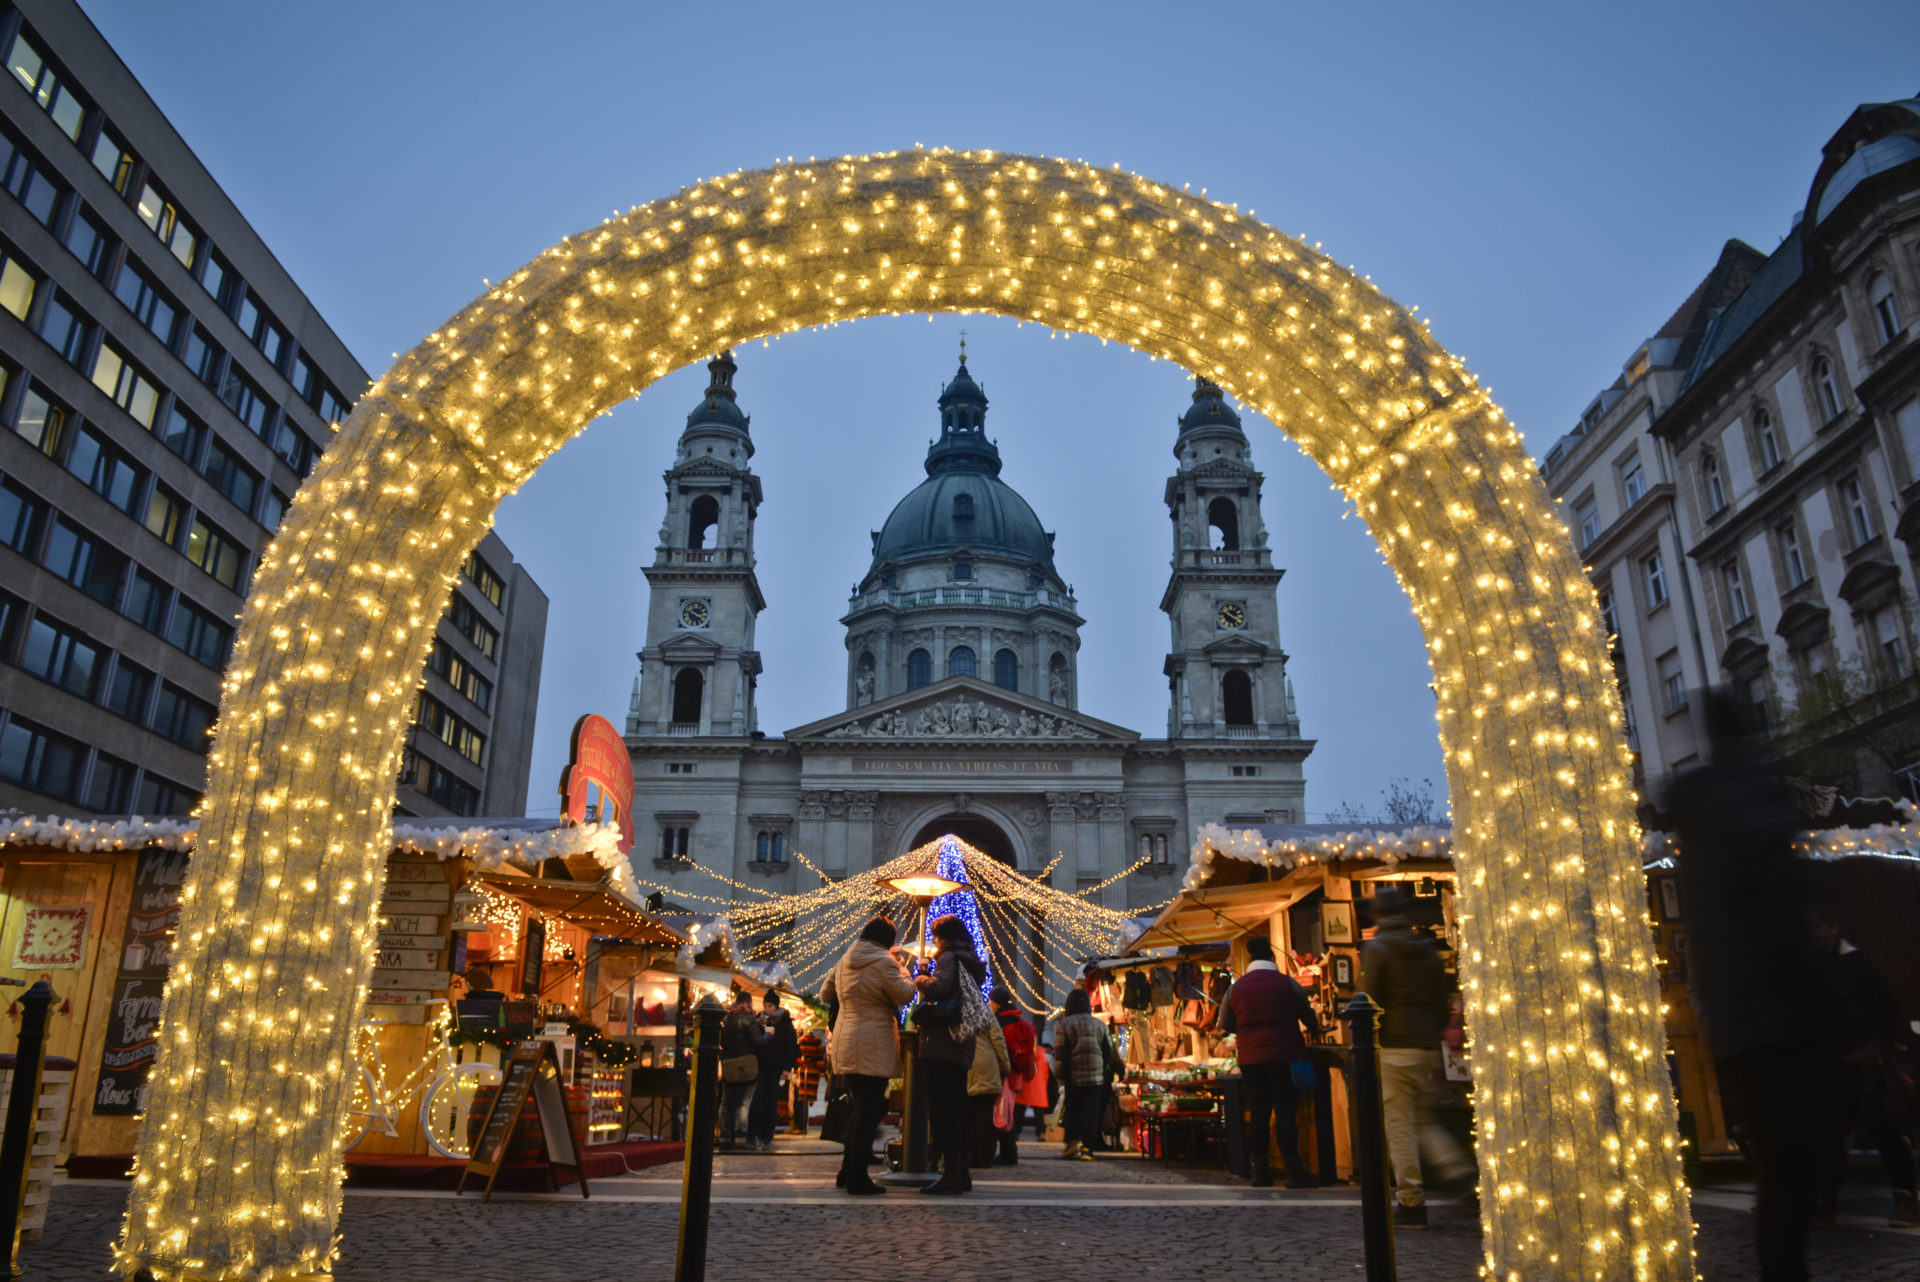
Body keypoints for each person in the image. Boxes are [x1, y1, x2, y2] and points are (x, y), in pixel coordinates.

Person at [1665, 689, 1832, 1282]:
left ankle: (1783, 1265)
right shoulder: (1758, 798)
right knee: (1796, 1161)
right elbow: (1783, 901)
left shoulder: (1697, 811)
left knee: (1778, 1163)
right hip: (1784, 1006)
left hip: (1733, 1014)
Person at [1359, 891, 1471, 1224]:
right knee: (1423, 1120)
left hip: (1393, 1047)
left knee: (1400, 1126)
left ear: (1378, 916)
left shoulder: (1377, 950)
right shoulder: (1427, 951)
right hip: (1425, 1046)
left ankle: (1411, 1202)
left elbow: (1369, 1002)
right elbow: (1441, 1000)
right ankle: (1459, 1170)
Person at [1809, 904, 1919, 1228]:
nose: (1812, 935)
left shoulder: (1856, 965)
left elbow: (1882, 1007)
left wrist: (1876, 1046)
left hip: (1866, 1063)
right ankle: (1825, 1202)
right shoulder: (1816, 967)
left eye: (1817, 927)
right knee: (1830, 1136)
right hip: (1833, 1064)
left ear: (1833, 927)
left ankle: (1905, 1200)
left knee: (1884, 1132)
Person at [819, 916, 914, 1195]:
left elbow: (826, 994)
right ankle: (857, 1176)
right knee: (871, 1109)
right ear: (887, 940)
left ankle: (847, 1171)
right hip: (873, 1040)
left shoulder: (845, 960)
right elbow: (904, 994)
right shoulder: (885, 962)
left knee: (860, 1107)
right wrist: (904, 970)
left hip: (847, 1038)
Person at [1222, 936, 1321, 1190]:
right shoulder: (1288, 984)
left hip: (1251, 1059)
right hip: (1283, 1056)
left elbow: (1226, 1025)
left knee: (1259, 1113)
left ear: (1251, 960)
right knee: (1286, 1114)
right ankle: (1294, 1172)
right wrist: (1313, 1029)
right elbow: (1309, 1019)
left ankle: (1260, 1173)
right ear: (1272, 957)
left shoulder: (1236, 988)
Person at [913, 914, 987, 1194]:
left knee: (943, 1110)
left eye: (934, 936)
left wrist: (921, 976)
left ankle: (952, 1172)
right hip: (960, 1043)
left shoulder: (948, 957)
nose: (933, 941)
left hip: (943, 1043)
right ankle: (960, 1170)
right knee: (956, 1107)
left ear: (943, 936)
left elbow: (939, 988)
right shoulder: (967, 956)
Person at [1050, 988, 1117, 1160]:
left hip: (1074, 1076)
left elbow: (1060, 1051)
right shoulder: (1099, 1024)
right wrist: (1103, 1067)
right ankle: (1088, 1149)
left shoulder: (1065, 1024)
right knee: (1091, 1112)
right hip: (1095, 1077)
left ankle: (1071, 1141)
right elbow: (1109, 1049)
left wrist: (1060, 1074)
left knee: (1073, 1109)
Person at [718, 990, 769, 1150]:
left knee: (727, 1102)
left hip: (728, 1063)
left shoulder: (725, 1019)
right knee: (744, 1102)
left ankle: (726, 1136)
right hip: (746, 1064)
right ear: (748, 1002)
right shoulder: (748, 1019)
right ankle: (741, 1136)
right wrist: (768, 1034)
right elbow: (758, 1041)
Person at [967, 988, 1012, 1168]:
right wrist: (1004, 1066)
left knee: (967, 1116)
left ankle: (969, 1156)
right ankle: (984, 1158)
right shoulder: (985, 1012)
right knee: (985, 1118)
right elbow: (998, 1040)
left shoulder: (957, 1009)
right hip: (986, 1067)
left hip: (965, 1066)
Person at [993, 989, 1038, 1164]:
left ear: (996, 1003)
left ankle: (1006, 1154)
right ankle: (1010, 1152)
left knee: (999, 1114)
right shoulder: (1023, 1023)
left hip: (1000, 1073)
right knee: (1008, 1113)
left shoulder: (998, 1023)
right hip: (1016, 1075)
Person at [748, 990, 798, 1149]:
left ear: (776, 1006)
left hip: (776, 1067)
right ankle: (755, 1134)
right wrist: (759, 1026)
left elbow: (791, 1047)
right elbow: (754, 1041)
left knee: (771, 1102)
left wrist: (787, 1068)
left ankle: (767, 1136)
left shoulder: (785, 1023)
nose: (767, 1008)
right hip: (761, 1065)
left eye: (769, 1005)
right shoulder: (760, 1020)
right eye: (765, 1005)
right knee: (758, 1101)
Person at [790, 1023, 826, 1136]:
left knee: (800, 1099)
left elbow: (797, 1058)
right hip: (813, 1071)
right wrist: (821, 1073)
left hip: (804, 1071)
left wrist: (798, 1068)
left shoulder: (801, 1041)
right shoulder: (817, 1041)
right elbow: (820, 1057)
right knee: (805, 1099)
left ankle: (801, 1126)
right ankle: (802, 1126)